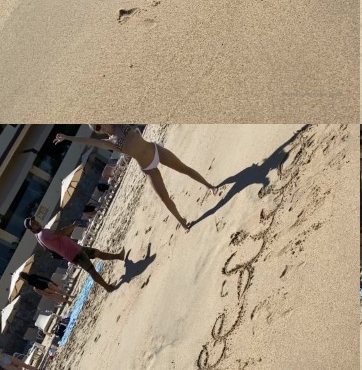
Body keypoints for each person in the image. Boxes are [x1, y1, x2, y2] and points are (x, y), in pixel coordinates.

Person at [54, 126, 219, 230]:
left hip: (156, 151)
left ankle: (210, 186)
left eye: (99, 123)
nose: (100, 128)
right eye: (96, 128)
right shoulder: (110, 143)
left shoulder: (121, 125)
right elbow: (88, 140)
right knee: (164, 197)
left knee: (184, 169)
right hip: (148, 167)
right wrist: (68, 138)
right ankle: (182, 222)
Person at [24, 218, 123, 293]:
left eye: (35, 221)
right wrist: (73, 225)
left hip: (75, 250)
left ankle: (119, 256)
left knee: (97, 253)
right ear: (32, 229)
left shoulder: (38, 237)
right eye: (33, 224)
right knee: (92, 270)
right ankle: (108, 287)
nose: (36, 223)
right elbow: (62, 232)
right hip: (74, 253)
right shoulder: (42, 234)